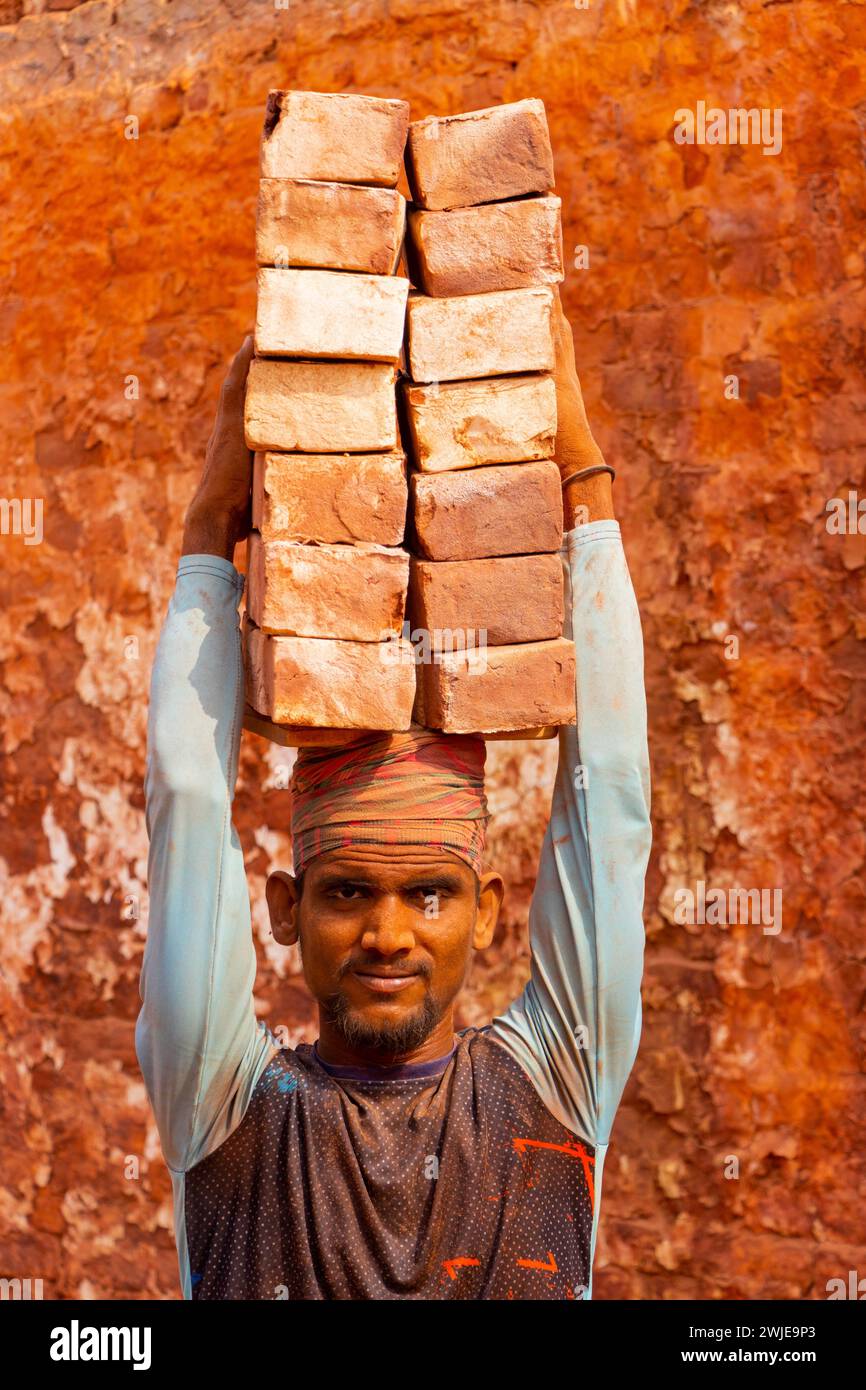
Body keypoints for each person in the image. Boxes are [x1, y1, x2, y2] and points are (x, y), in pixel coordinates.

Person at [136, 298, 652, 1300]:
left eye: (428, 893)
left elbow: (612, 801)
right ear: (283, 908)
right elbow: (188, 798)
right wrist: (211, 523)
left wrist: (581, 474)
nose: (386, 935)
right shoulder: (225, 1107)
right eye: (345, 893)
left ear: (487, 912)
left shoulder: (557, 1082)